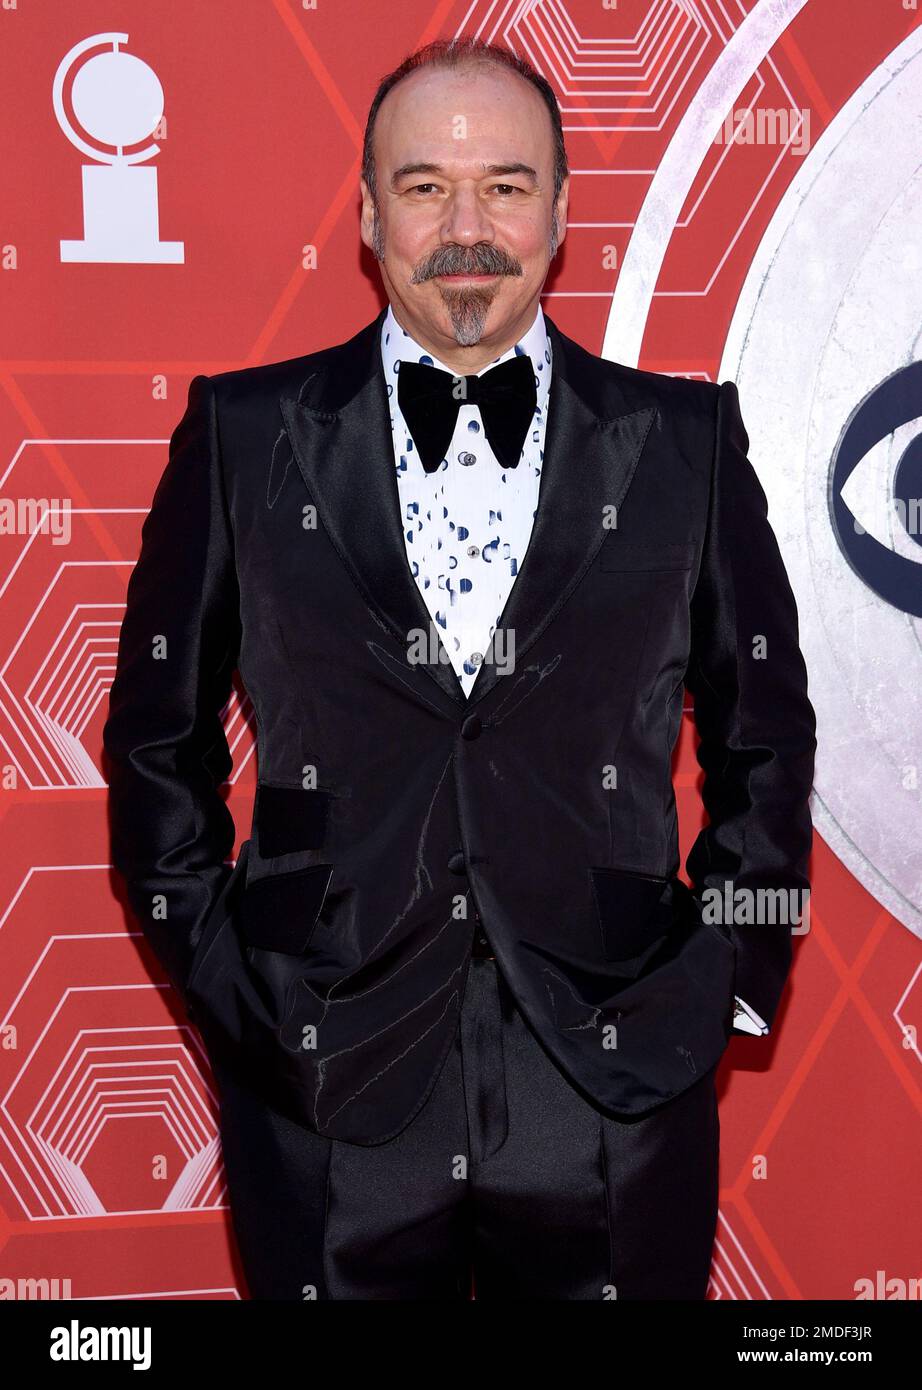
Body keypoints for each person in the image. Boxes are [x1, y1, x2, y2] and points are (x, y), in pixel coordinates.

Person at [102, 37, 816, 1300]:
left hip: (608, 1076)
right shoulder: (242, 432)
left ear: (560, 213)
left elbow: (766, 732)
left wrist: (720, 976)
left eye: (506, 183)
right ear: (369, 215)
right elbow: (157, 739)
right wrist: (231, 984)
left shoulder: (686, 443)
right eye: (426, 185)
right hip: (325, 1068)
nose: (468, 224)